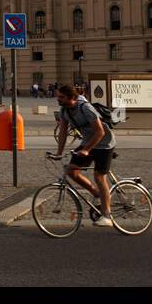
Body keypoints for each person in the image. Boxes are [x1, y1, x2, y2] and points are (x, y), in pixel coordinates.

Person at [53, 83, 114, 226]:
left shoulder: (85, 108)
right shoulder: (65, 110)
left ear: (72, 97)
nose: (58, 99)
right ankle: (96, 193)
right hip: (88, 142)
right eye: (58, 97)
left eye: (61, 97)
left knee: (99, 176)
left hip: (104, 143)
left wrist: (86, 150)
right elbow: (62, 133)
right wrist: (59, 153)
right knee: (71, 170)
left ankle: (107, 216)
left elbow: (100, 132)